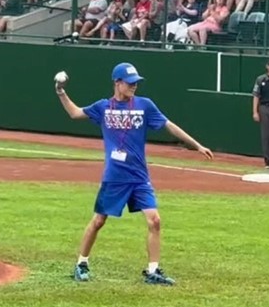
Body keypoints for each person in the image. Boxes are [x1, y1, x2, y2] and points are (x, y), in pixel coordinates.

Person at [54, 62, 214, 285]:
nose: (134, 86)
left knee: (154, 220)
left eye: (136, 83)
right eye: (130, 83)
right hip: (115, 176)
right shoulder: (103, 107)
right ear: (117, 83)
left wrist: (196, 145)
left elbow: (169, 125)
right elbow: (74, 113)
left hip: (139, 176)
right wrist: (60, 91)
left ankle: (153, 271)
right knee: (99, 220)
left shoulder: (144, 105)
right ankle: (81, 263)